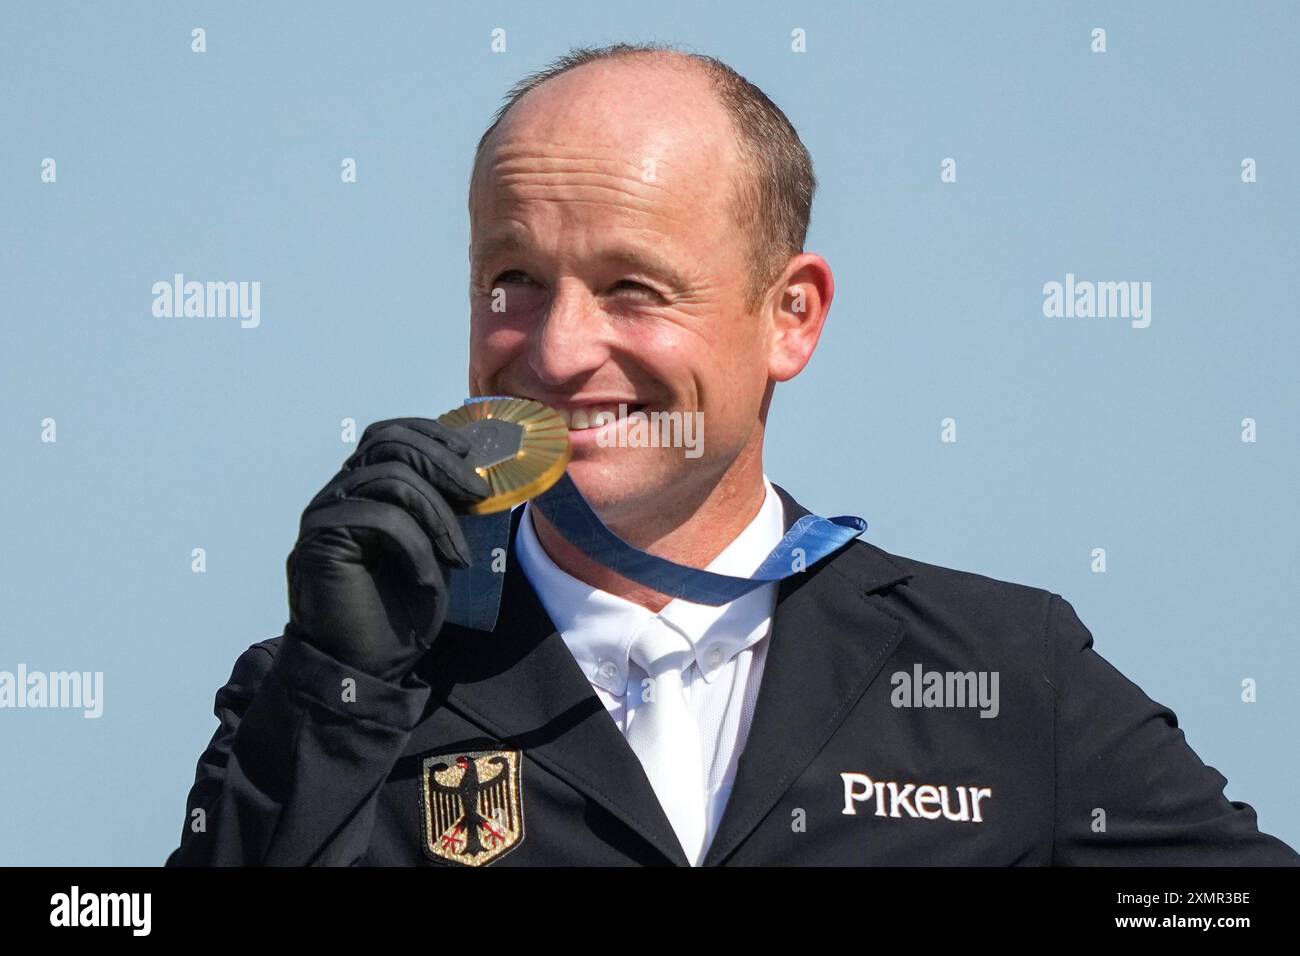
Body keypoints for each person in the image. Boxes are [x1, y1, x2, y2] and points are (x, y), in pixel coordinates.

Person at [166, 42, 1298, 867]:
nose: (556, 350)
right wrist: (337, 687)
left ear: (790, 317)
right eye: (512, 281)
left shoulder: (1004, 668)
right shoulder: (333, 687)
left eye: (631, 288)